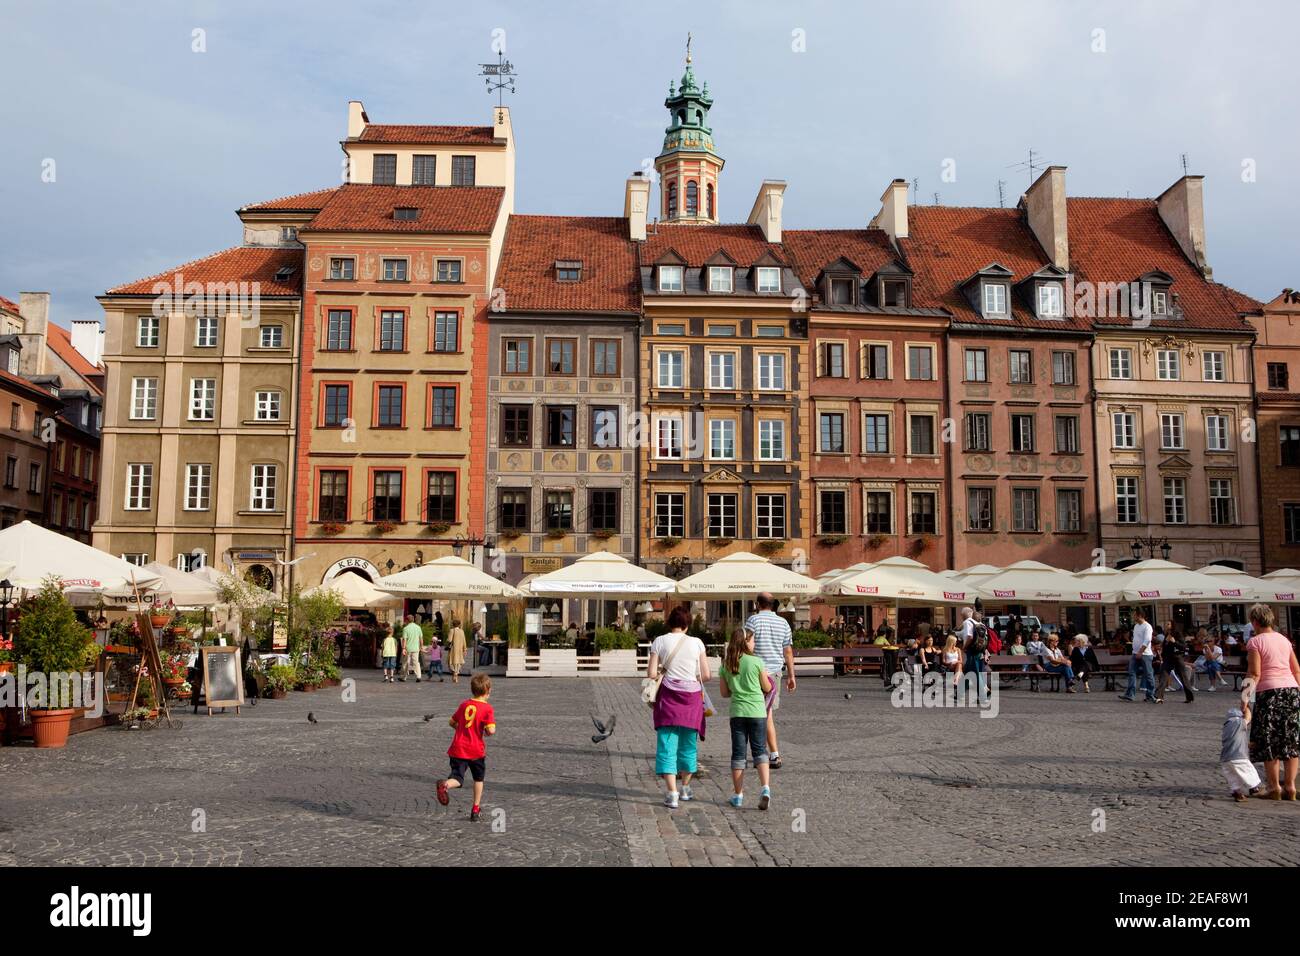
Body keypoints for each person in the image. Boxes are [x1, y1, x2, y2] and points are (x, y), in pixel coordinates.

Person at [648, 606, 710, 809]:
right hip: (691, 699)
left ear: (669, 622)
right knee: (688, 745)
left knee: (667, 744)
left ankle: (671, 793)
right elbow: (706, 675)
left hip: (668, 697)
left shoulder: (659, 641)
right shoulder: (697, 643)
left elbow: (650, 673)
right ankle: (685, 788)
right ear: (687, 624)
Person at [1245, 604, 1300, 800]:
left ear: (1255, 621)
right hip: (1291, 691)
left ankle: (1274, 787)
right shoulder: (1284, 640)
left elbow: (1254, 673)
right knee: (1290, 739)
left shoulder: (1255, 642)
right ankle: (1291, 787)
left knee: (1269, 740)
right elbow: (1296, 669)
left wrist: (1244, 699)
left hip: (1268, 693)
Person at [718, 627, 773, 810]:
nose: (754, 643)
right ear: (745, 641)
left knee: (738, 754)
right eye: (753, 640)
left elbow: (724, 693)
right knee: (760, 750)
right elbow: (766, 687)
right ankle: (765, 789)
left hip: (738, 713)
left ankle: (738, 795)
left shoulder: (726, 665)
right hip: (757, 711)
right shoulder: (756, 661)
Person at [435, 673, 496, 822]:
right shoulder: (487, 709)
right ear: (487, 690)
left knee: (457, 778)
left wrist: (461, 728)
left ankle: (446, 784)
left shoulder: (464, 705)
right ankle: (475, 808)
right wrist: (486, 731)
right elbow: (491, 730)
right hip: (476, 750)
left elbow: (451, 721)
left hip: (458, 748)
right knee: (478, 779)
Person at [746, 593, 795, 771]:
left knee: (758, 714)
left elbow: (747, 646)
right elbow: (788, 651)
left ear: (758, 604)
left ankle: (765, 753)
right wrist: (791, 675)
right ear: (773, 605)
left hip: (755, 671)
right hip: (774, 673)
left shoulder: (753, 621)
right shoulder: (783, 623)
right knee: (767, 714)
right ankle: (769, 753)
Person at [1221, 702, 1262, 803]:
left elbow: (1236, 740)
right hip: (1238, 756)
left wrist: (1248, 745)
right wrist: (1246, 706)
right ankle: (1254, 787)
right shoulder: (1238, 723)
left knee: (1232, 776)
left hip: (1225, 758)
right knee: (1249, 771)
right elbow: (1248, 718)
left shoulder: (1227, 727)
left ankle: (1237, 792)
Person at [1119, 608, 1157, 702]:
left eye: (1134, 615)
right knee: (1131, 672)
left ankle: (1150, 694)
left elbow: (1147, 640)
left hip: (1145, 654)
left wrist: (1140, 651)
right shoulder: (1136, 626)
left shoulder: (1147, 626)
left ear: (1140, 615)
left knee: (1148, 674)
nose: (1133, 616)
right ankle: (1130, 694)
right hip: (1135, 653)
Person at [1156, 624, 1194, 704]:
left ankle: (1189, 697)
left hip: (1177, 658)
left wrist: (1174, 642)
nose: (1167, 625)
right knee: (1163, 676)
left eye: (1169, 624)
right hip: (1168, 659)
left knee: (1183, 677)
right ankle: (1159, 697)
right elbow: (1165, 647)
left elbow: (1183, 647)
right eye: (1167, 624)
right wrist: (1165, 642)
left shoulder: (1178, 634)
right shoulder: (1166, 635)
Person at [399, 615, 423, 682]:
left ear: (407, 620)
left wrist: (403, 648)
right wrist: (421, 646)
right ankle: (418, 676)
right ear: (413, 620)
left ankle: (404, 677)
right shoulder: (418, 627)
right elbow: (421, 638)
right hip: (416, 648)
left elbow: (404, 640)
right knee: (416, 663)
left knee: (406, 663)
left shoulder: (406, 628)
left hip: (408, 648)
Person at [446, 618, 467, 684]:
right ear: (459, 624)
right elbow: (464, 641)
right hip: (460, 649)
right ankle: (456, 675)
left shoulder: (452, 630)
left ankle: (454, 674)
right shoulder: (462, 631)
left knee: (452, 662)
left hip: (453, 649)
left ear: (453, 624)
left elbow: (449, 640)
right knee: (458, 663)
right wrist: (465, 649)